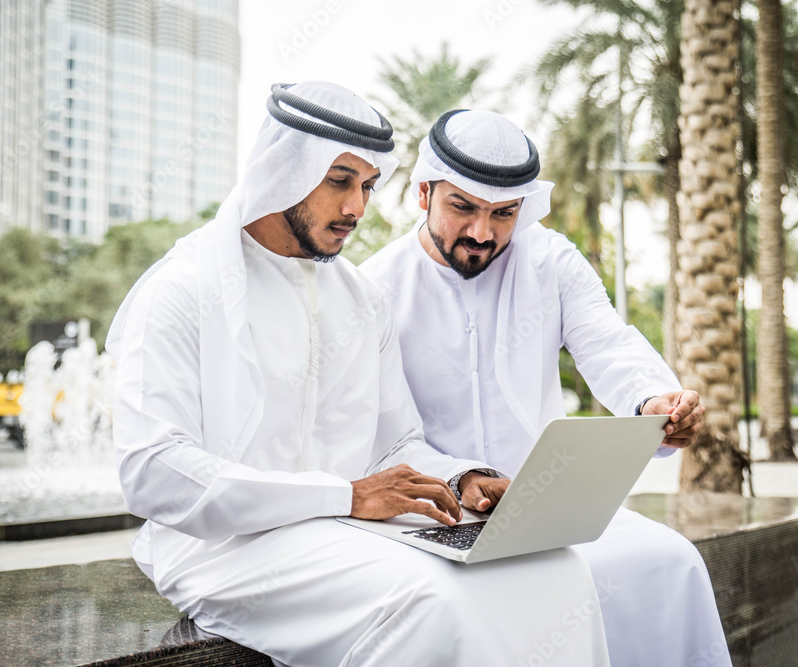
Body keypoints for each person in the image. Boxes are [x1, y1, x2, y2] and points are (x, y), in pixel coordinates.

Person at [106, 83, 609, 666]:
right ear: (284, 170)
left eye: (368, 186)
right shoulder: (184, 288)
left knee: (557, 571)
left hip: (346, 528)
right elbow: (152, 472)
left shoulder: (362, 301)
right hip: (221, 547)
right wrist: (344, 495)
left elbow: (394, 443)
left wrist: (461, 479)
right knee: (432, 599)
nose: (356, 208)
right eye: (339, 181)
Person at [361, 109, 732, 667]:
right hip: (432, 513)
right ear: (423, 194)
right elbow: (378, 431)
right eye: (463, 207)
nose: (482, 233)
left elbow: (608, 343)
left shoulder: (550, 260)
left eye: (503, 214)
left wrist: (654, 400)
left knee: (671, 562)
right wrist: (459, 480)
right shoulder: (376, 288)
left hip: (548, 506)